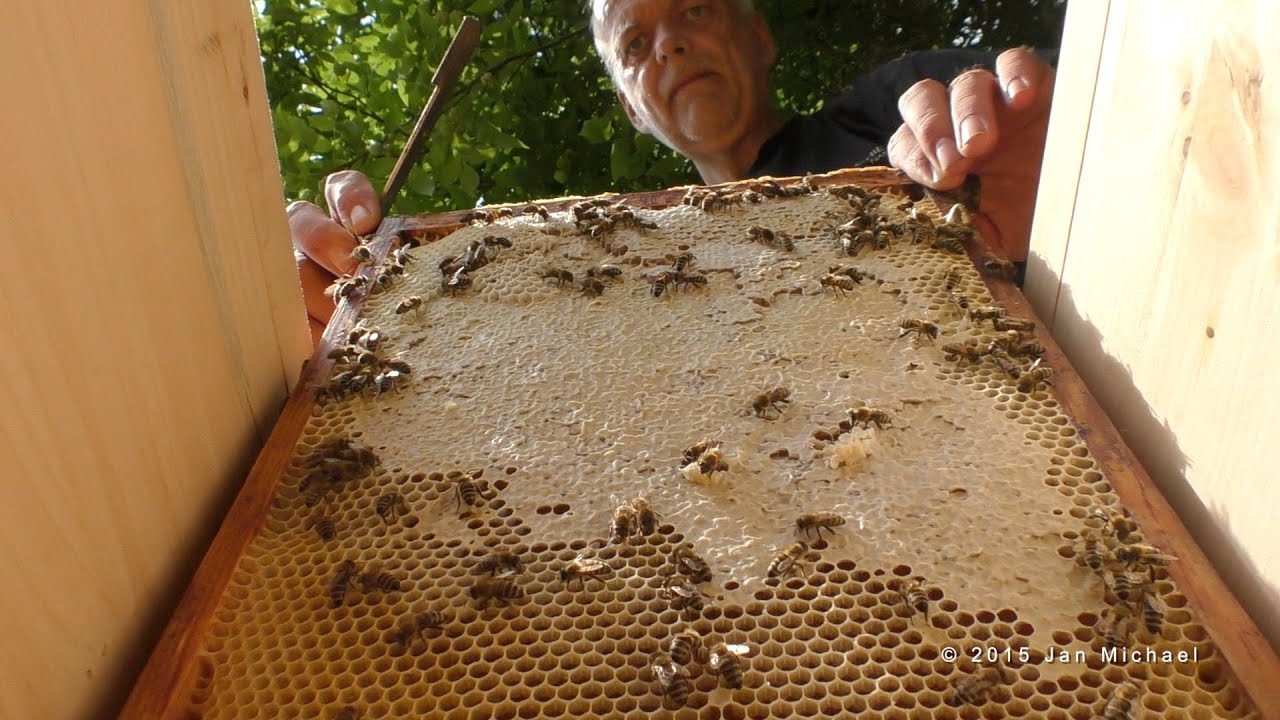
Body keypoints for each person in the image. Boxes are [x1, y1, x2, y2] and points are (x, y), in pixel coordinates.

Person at [289, 0, 1055, 340]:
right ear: (631, 109)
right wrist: (357, 315)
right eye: (634, 44)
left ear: (759, 38)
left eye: (693, 10)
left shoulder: (888, 109)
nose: (670, 45)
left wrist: (1070, 169)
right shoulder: (619, 274)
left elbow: (1101, 120)